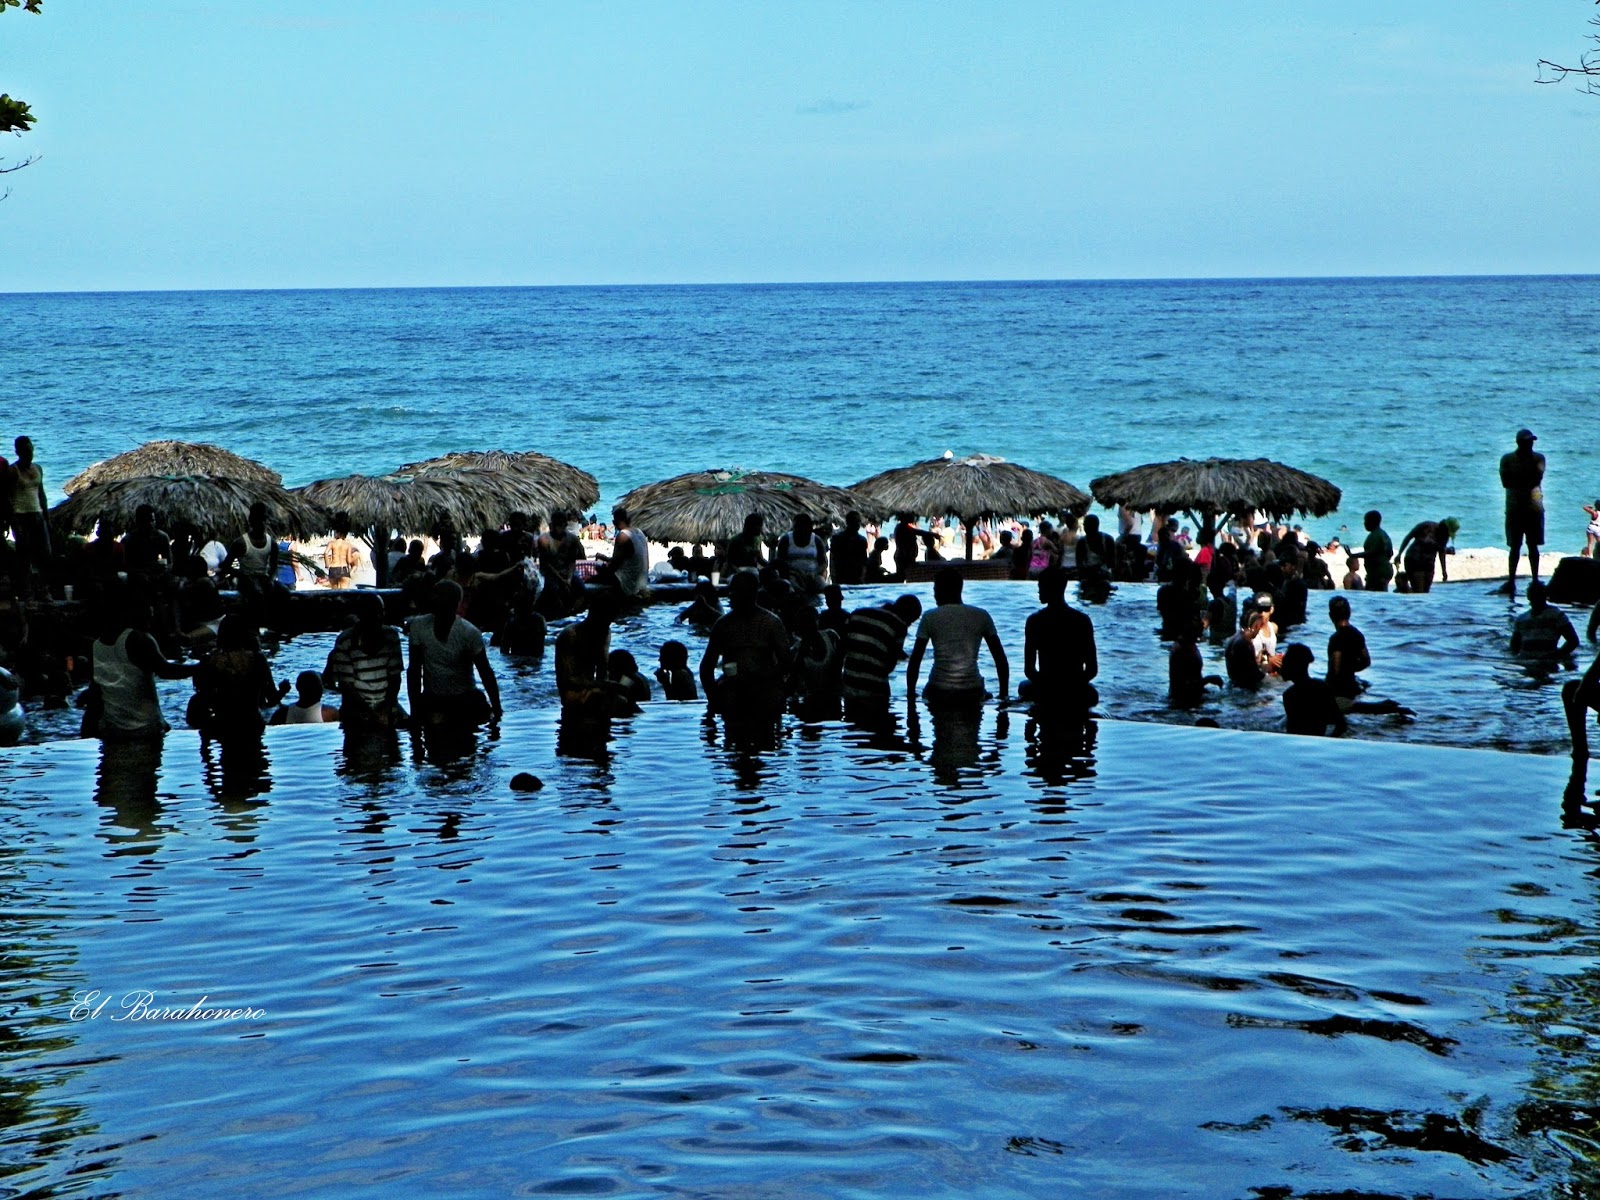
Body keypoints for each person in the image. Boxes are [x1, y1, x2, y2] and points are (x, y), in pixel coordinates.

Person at [83, 596, 196, 740]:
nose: (152, 613)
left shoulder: (97, 645)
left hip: (112, 729)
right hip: (144, 729)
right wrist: (200, 667)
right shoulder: (139, 639)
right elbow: (167, 671)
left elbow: (98, 689)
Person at [906, 567, 1009, 710]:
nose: (934, 595)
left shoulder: (930, 617)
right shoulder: (981, 615)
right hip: (972, 690)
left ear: (942, 590)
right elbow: (1000, 658)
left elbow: (915, 659)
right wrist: (1004, 694)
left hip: (939, 689)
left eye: (935, 589)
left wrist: (910, 694)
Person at [699, 571, 793, 726]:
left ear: (752, 593)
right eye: (731, 591)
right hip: (733, 690)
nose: (731, 596)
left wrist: (762, 678)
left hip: (765, 689)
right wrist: (713, 699)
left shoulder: (771, 623)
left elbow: (786, 663)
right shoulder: (723, 625)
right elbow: (706, 667)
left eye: (737, 591)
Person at [406, 580, 501, 727]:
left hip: (464, 698)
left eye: (437, 597)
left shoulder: (469, 633)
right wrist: (415, 711)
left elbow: (485, 672)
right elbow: (414, 671)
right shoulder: (418, 626)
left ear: (452, 604)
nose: (432, 599)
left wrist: (497, 710)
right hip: (433, 698)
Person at [192, 614, 287, 740]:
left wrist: (206, 751)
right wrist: (284, 690)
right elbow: (271, 700)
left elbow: (202, 702)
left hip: (223, 725)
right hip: (252, 724)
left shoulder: (209, 661)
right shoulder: (257, 659)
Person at [1017, 567, 1098, 714]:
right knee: (1092, 694)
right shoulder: (1082, 620)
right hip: (1075, 686)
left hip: (1046, 685)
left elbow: (1029, 670)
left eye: (1040, 587)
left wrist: (1049, 684)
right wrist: (1071, 684)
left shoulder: (1035, 621)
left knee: (1023, 687)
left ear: (1049, 588)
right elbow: (1092, 670)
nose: (1039, 592)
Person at [322, 593, 406, 728]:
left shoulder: (391, 637)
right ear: (361, 616)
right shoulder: (345, 641)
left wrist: (385, 709)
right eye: (372, 613)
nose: (378, 617)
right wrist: (372, 715)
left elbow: (395, 678)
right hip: (356, 707)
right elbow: (347, 687)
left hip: (385, 704)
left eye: (380, 613)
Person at [1326, 596, 1413, 718]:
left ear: (1331, 616)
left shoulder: (1336, 639)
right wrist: (1350, 669)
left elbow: (1336, 669)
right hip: (1352, 686)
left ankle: (1384, 708)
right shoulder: (1356, 634)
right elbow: (1366, 661)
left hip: (1338, 690)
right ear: (1349, 613)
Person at [840, 594, 923, 716]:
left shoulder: (857, 614)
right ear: (907, 616)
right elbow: (889, 666)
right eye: (910, 621)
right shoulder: (899, 625)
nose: (909, 625)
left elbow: (842, 647)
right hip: (875, 691)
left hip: (849, 685)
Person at [554, 592, 617, 715]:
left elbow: (602, 671)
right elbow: (567, 680)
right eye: (604, 618)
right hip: (571, 693)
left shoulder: (604, 632)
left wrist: (607, 686)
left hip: (592, 688)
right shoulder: (570, 635)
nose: (607, 623)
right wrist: (600, 685)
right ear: (592, 613)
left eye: (610, 619)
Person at [1500, 428, 1546, 592]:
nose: (1531, 444)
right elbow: (1506, 482)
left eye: (1531, 441)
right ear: (1520, 443)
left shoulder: (1538, 458)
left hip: (1530, 508)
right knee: (1515, 546)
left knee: (1532, 546)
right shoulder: (1508, 459)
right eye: (1528, 441)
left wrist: (1518, 479)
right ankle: (1512, 580)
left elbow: (1536, 478)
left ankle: (1534, 579)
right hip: (1516, 508)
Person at [7, 436, 49, 597]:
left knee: (45, 554)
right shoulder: (12, 471)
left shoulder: (38, 468)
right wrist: (13, 522)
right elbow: (8, 497)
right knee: (24, 555)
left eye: (30, 450)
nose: (29, 453)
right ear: (17, 452)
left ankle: (43, 589)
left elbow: (41, 494)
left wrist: (47, 517)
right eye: (25, 451)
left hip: (37, 514)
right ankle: (26, 591)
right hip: (20, 515)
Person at [1280, 643, 1346, 736]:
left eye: (1285, 663)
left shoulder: (1290, 695)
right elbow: (1341, 725)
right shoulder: (1322, 687)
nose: (1282, 667)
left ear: (1293, 666)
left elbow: (1293, 732)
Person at [1510, 580, 1580, 661]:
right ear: (1528, 596)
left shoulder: (1556, 615)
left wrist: (1556, 656)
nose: (1536, 597)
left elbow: (1573, 641)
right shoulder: (1521, 619)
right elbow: (1514, 646)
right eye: (1534, 594)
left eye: (1539, 594)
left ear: (1545, 596)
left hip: (1547, 662)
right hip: (1526, 660)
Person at [1169, 613, 1223, 708]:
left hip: (1191, 700)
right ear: (1187, 625)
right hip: (1183, 704)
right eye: (1198, 621)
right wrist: (1208, 680)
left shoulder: (1190, 644)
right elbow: (1185, 686)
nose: (1202, 623)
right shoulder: (1182, 650)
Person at [600, 505, 649, 599]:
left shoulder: (623, 536)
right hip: (642, 581)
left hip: (628, 583)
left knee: (594, 576)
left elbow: (614, 566)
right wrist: (606, 558)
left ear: (615, 522)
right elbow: (628, 557)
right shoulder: (639, 532)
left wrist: (601, 567)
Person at [1397, 517, 1453, 593]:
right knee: (1418, 591)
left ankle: (1403, 590)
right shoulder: (1425, 526)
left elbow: (1441, 552)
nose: (1448, 535)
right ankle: (1403, 590)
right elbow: (1408, 537)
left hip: (1429, 565)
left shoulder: (1445, 537)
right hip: (1414, 561)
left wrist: (1444, 571)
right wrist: (1399, 554)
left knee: (1425, 593)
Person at [774, 512, 826, 594]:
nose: (798, 530)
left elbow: (824, 563)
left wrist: (815, 573)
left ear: (809, 528)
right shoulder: (786, 540)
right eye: (796, 527)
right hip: (792, 575)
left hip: (813, 575)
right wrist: (794, 573)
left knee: (823, 587)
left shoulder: (816, 540)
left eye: (801, 528)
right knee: (794, 588)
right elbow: (779, 563)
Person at [270, 670, 340, 725]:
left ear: (297, 687)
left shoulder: (282, 713)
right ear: (320, 689)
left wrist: (282, 692)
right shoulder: (330, 713)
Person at [829, 511, 869, 585]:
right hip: (842, 574)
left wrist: (862, 576)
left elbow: (864, 561)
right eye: (855, 521)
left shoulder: (861, 540)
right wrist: (833, 576)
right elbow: (833, 559)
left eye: (858, 521)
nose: (858, 524)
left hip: (855, 575)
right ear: (849, 522)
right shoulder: (838, 538)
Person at [324, 515, 362, 589]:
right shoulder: (348, 545)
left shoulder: (331, 543)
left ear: (338, 534)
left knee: (334, 593)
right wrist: (355, 559)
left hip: (333, 568)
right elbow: (348, 560)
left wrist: (327, 564)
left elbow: (325, 553)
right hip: (343, 568)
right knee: (344, 593)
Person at [1361, 511, 1394, 594]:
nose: (1364, 523)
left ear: (1372, 522)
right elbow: (1390, 553)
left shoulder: (1375, 535)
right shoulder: (1383, 534)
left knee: (1376, 595)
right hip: (1384, 569)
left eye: (1366, 521)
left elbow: (1372, 552)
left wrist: (1353, 555)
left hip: (1378, 572)